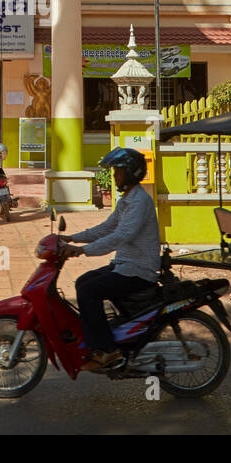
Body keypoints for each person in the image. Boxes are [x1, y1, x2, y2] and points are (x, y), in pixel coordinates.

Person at [58, 147, 159, 371]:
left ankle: (107, 350)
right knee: (83, 282)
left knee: (89, 290)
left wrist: (83, 250)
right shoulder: (128, 200)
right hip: (125, 265)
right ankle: (100, 339)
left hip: (139, 270)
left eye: (118, 172)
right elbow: (107, 227)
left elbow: (121, 236)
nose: (115, 177)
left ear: (131, 173)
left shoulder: (140, 201)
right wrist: (72, 238)